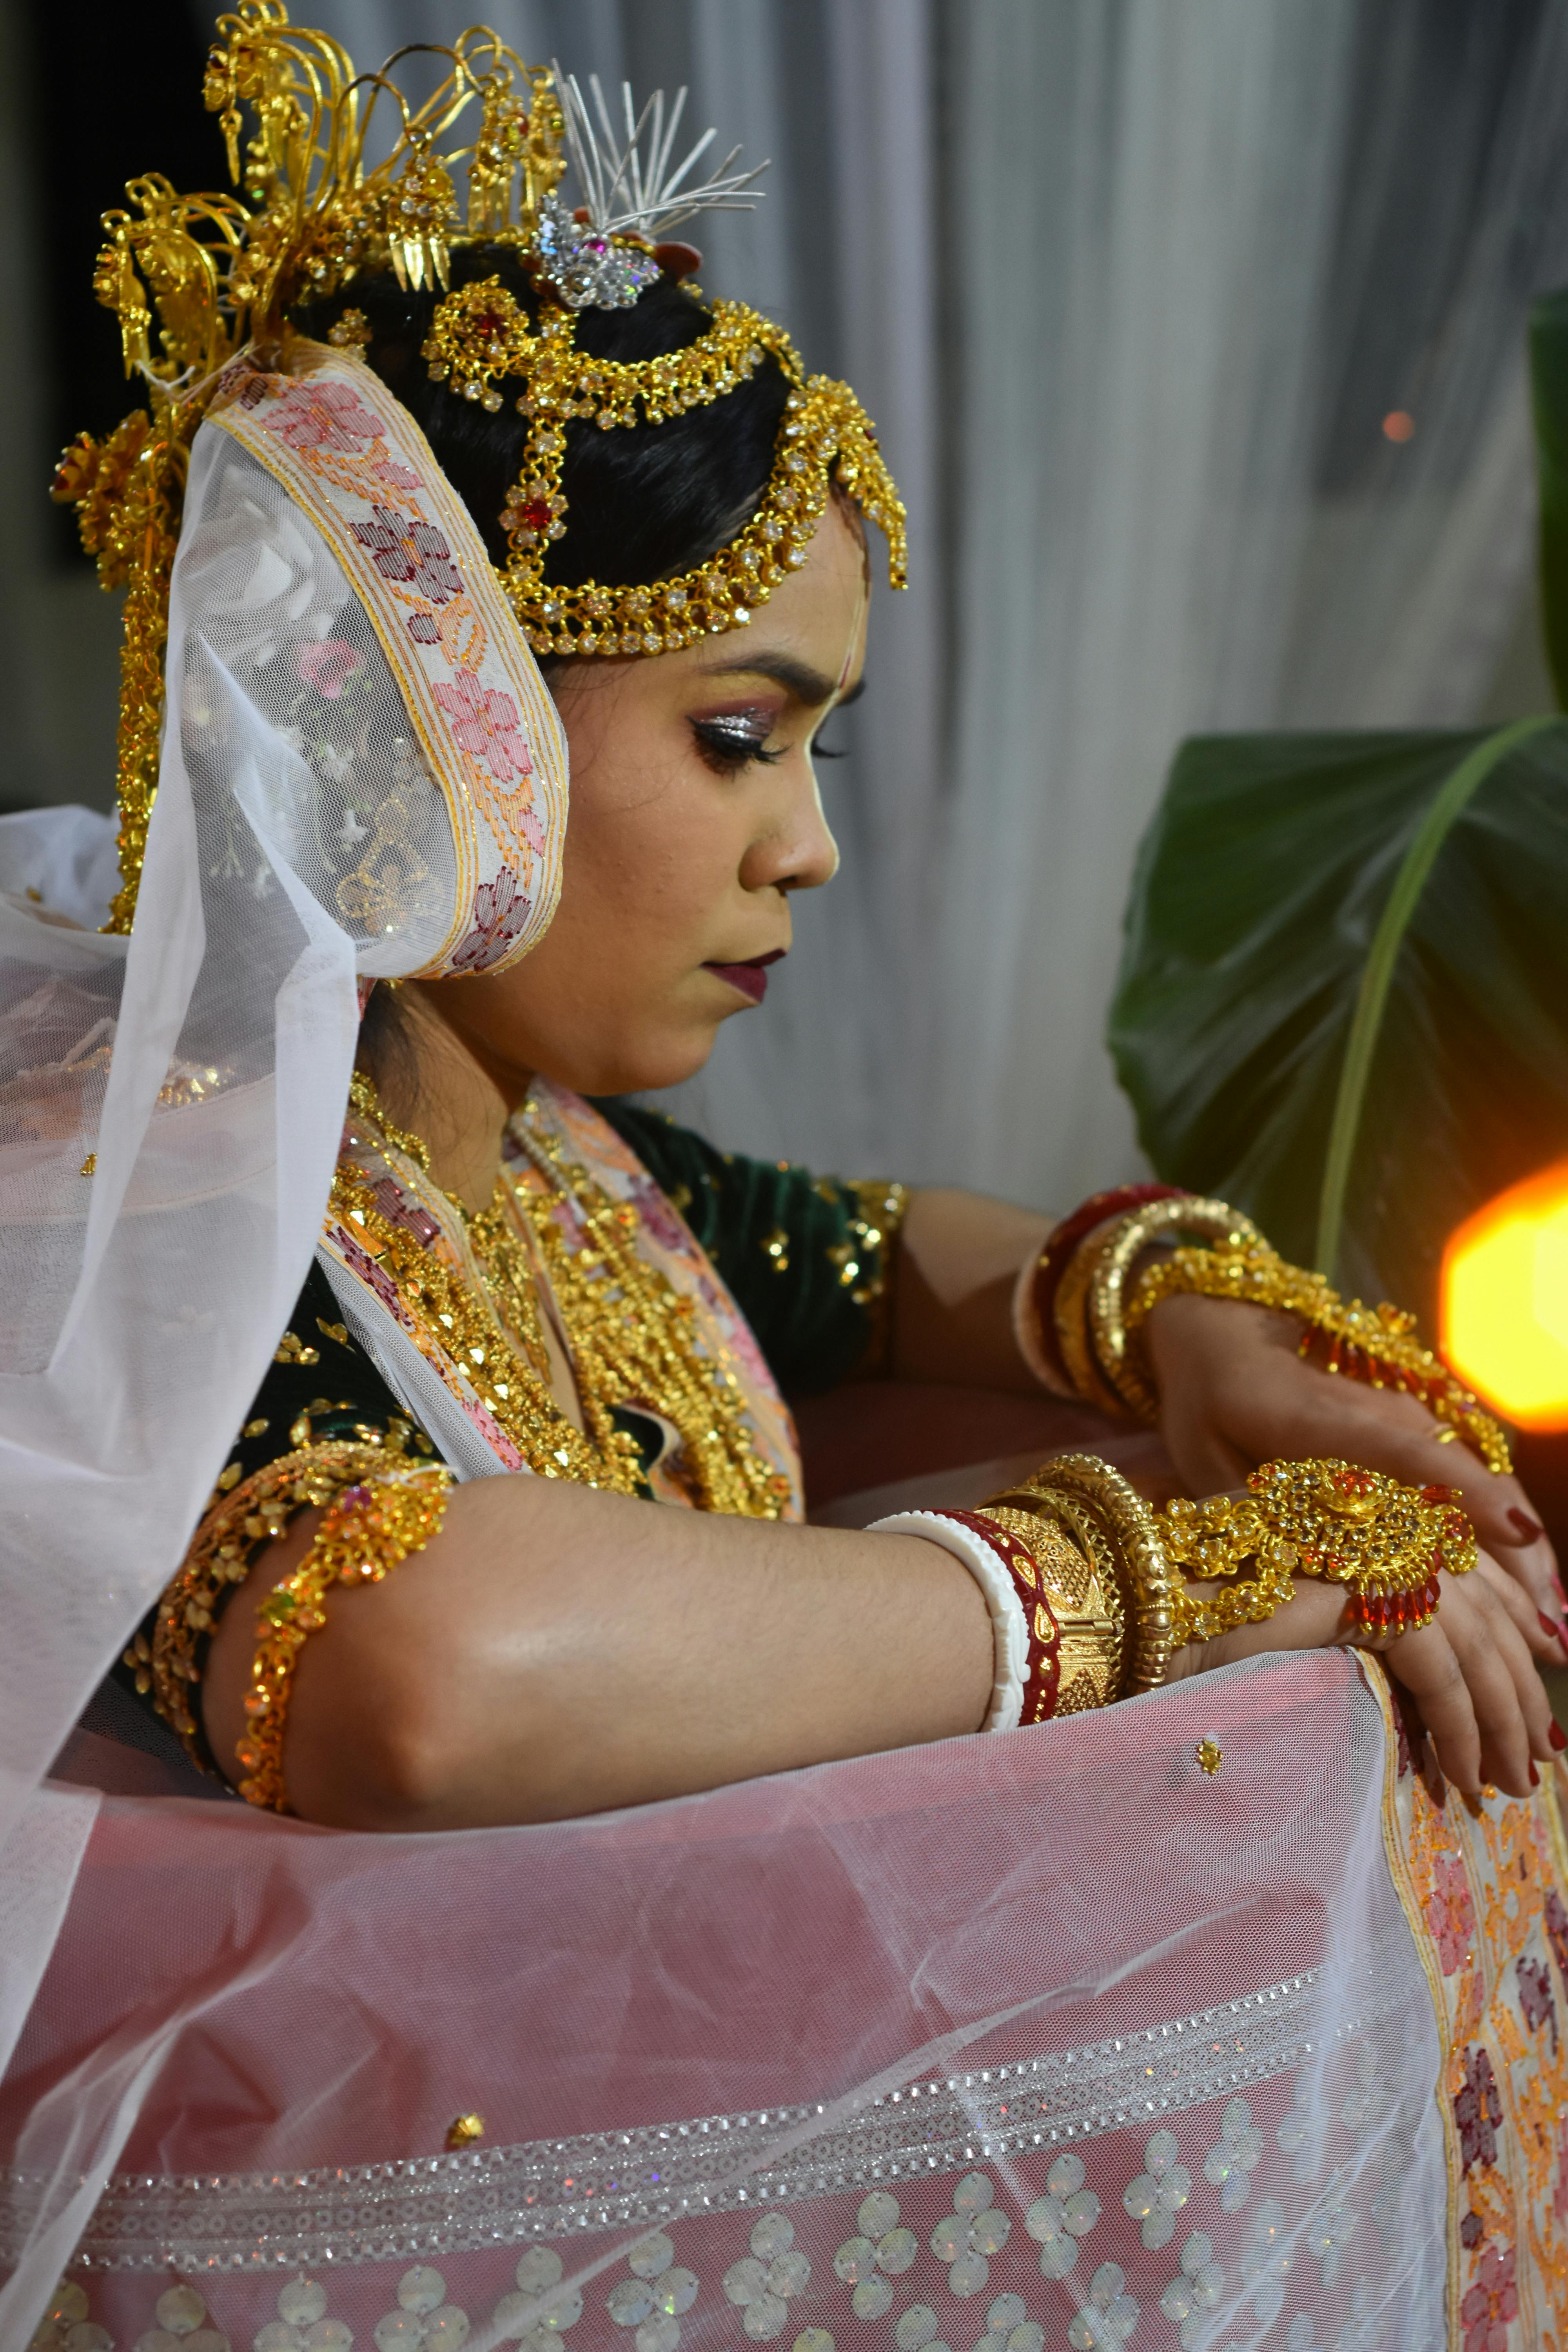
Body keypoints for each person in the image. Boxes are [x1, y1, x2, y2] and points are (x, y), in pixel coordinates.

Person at [3, 20, 1566, 2350]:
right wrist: (1165, 1578)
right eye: (739, 737)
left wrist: (1178, 1314)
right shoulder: (151, 1202)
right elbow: (416, 1674)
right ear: (439, 724)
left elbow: (887, 1259)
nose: (806, 844)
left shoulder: (547, 1164)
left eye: (818, 747)